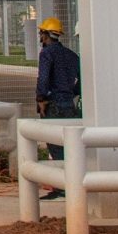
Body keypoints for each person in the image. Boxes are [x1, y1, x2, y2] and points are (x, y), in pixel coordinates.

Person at [34, 17, 82, 201]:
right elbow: (82, 80)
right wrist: (71, 91)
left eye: (41, 33)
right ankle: (70, 184)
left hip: (52, 104)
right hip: (68, 104)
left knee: (56, 148)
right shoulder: (71, 55)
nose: (40, 36)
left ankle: (62, 188)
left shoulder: (47, 54)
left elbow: (43, 78)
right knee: (70, 146)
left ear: (46, 35)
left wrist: (41, 98)